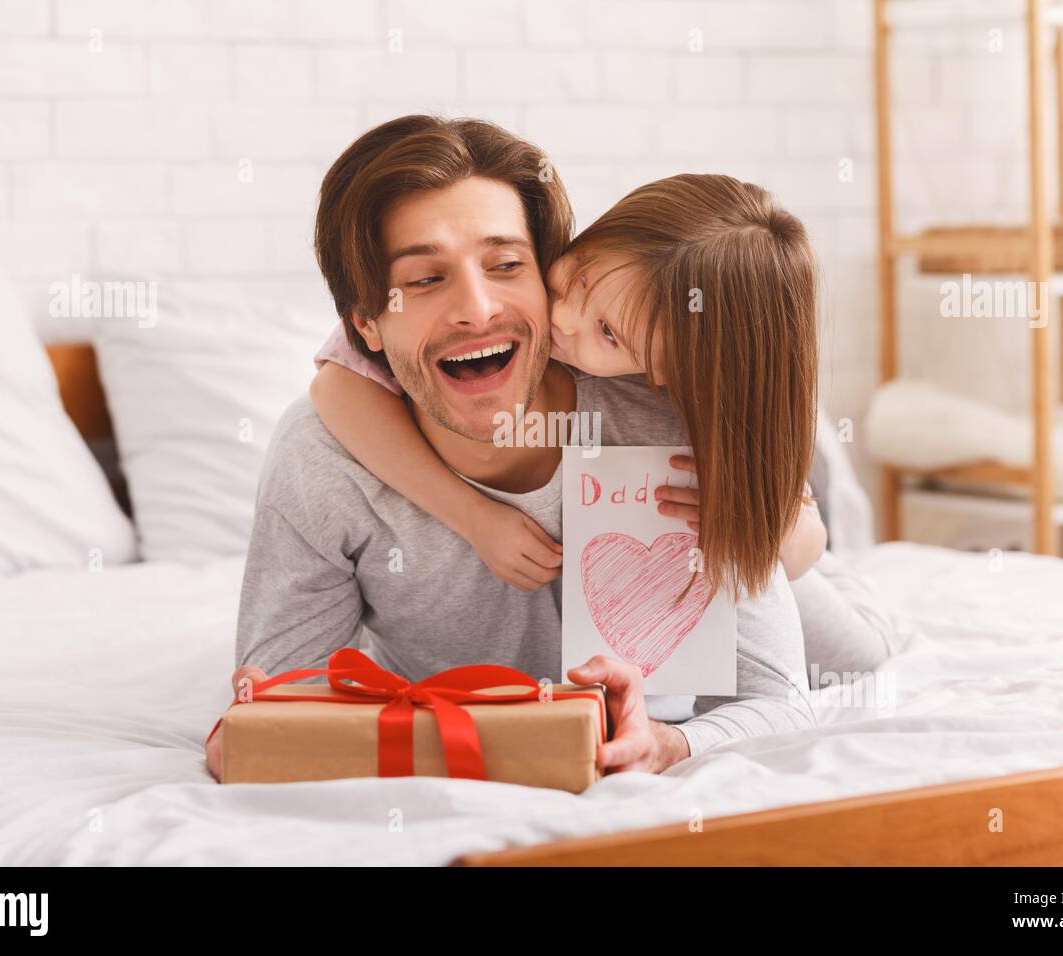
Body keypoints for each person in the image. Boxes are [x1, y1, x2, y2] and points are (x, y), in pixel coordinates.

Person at [208, 115, 815, 781]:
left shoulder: (669, 425)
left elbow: (778, 700)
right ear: (365, 325)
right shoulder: (323, 455)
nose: (478, 309)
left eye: (505, 265)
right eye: (424, 279)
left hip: (776, 563)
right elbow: (277, 710)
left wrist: (671, 743)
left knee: (848, 633)